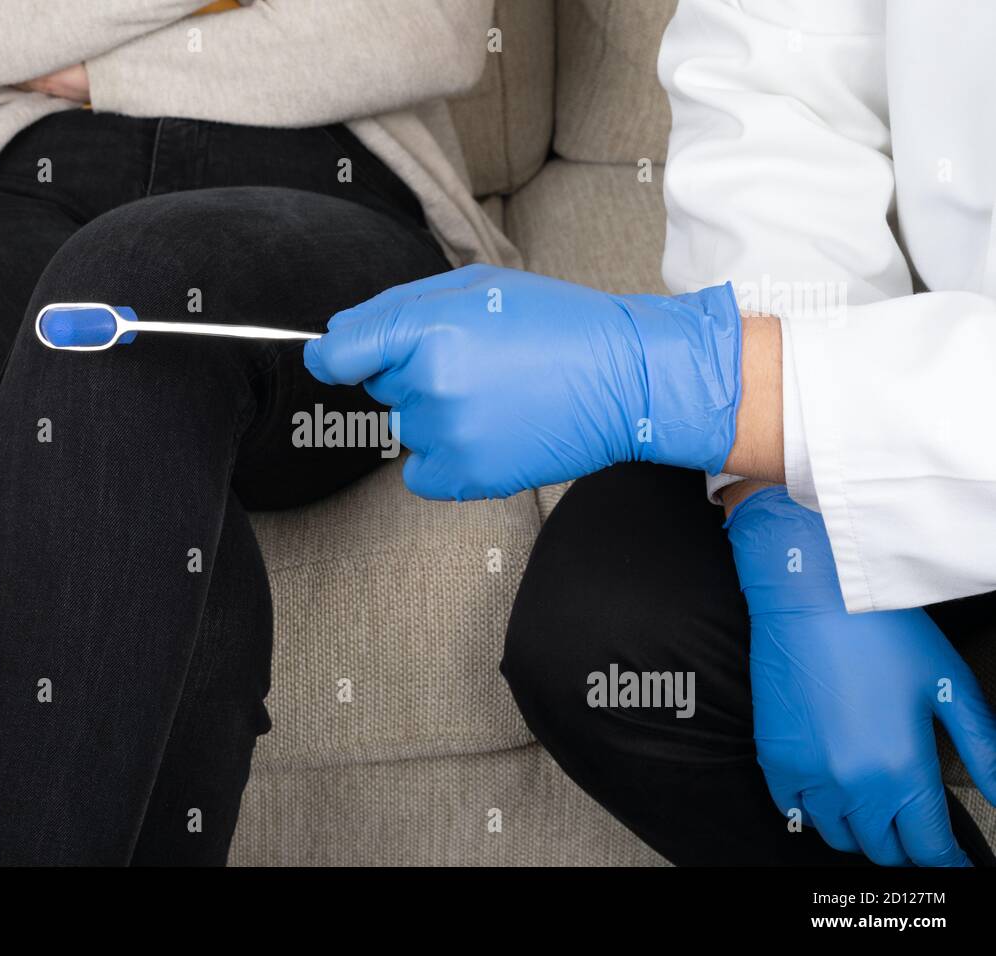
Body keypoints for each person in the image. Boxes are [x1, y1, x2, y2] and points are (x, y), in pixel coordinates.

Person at [0, 0, 514, 865]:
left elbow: (431, 31)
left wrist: (96, 69)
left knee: (119, 391)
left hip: (317, 197)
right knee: (165, 597)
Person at [304, 0, 996, 866]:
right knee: (605, 622)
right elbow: (779, 91)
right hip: (891, 372)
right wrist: (786, 502)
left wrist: (717, 383)